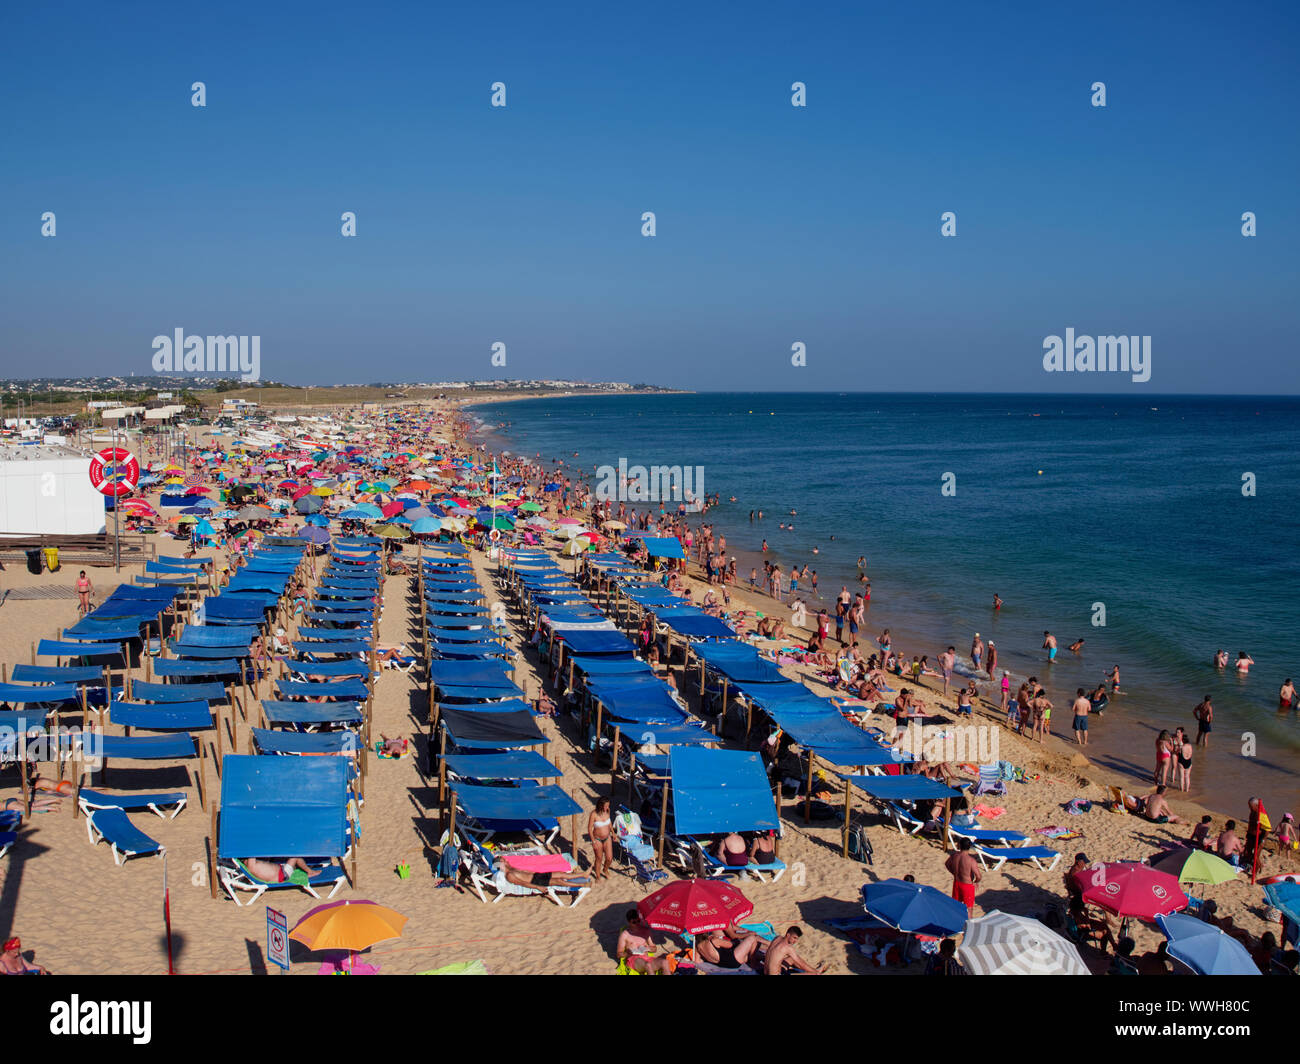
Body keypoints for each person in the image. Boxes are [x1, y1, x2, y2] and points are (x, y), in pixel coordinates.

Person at [696, 925, 763, 970]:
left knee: (749, 955)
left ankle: (759, 958)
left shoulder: (697, 946)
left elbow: (698, 961)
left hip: (723, 964)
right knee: (752, 938)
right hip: (733, 961)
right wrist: (721, 940)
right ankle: (753, 964)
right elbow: (730, 944)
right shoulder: (714, 940)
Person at [945, 838, 982, 910]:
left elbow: (947, 864)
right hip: (967, 885)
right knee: (968, 909)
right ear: (969, 847)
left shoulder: (954, 856)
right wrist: (976, 881)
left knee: (955, 907)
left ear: (960, 845)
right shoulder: (971, 860)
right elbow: (978, 876)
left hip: (957, 883)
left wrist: (954, 873)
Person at [240, 856, 325, 886]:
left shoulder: (250, 865)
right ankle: (310, 872)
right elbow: (252, 849)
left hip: (282, 870)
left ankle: (310, 866)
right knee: (295, 856)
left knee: (294, 863)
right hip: (282, 875)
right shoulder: (251, 866)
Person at [588, 798, 613, 881]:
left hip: (607, 837)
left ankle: (605, 869)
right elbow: (589, 828)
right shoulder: (594, 814)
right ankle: (598, 876)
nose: (607, 807)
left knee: (609, 858)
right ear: (601, 805)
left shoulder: (607, 811)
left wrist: (613, 832)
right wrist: (593, 841)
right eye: (606, 805)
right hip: (597, 839)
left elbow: (609, 822)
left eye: (608, 805)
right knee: (599, 858)